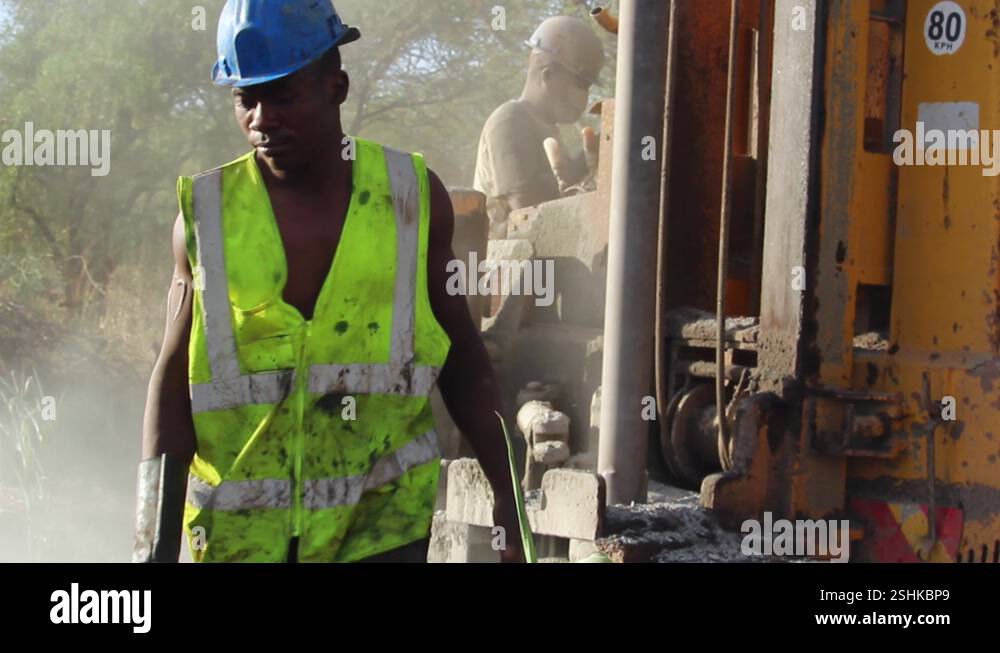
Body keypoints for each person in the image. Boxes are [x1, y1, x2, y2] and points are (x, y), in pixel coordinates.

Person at [133, 0, 523, 563]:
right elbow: (173, 387)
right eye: (246, 99)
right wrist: (152, 545)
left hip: (378, 532)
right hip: (237, 540)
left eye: (282, 95)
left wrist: (507, 497)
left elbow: (461, 360)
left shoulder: (409, 198)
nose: (261, 119)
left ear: (335, 87)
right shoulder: (204, 218)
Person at [473, 16, 605, 236]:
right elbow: (527, 209)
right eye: (580, 84)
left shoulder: (546, 127)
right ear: (548, 75)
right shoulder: (510, 120)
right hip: (509, 264)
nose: (585, 97)